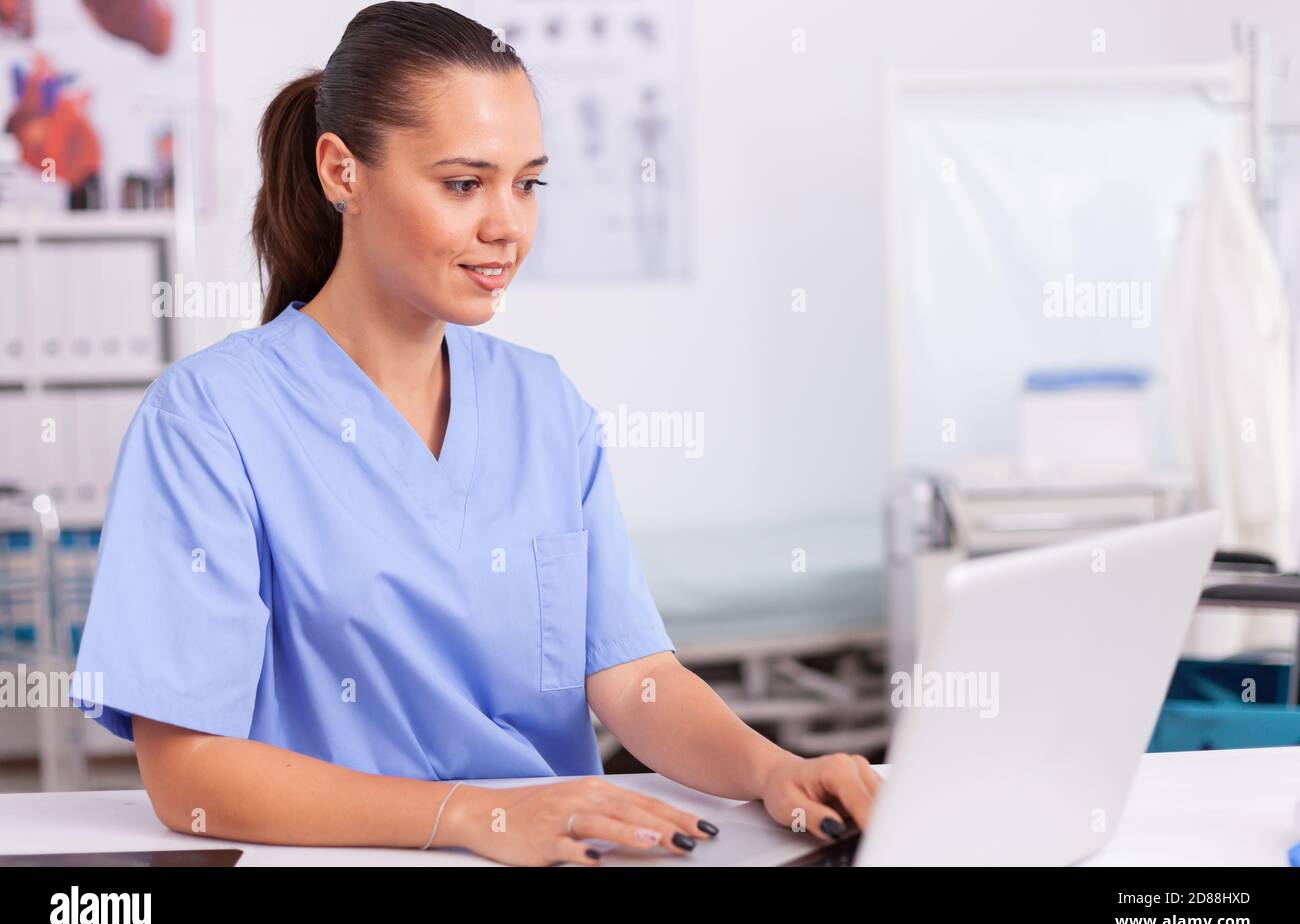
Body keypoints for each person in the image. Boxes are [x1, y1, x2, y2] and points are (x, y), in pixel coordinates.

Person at [71, 1, 881, 867]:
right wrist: (474, 818)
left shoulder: (541, 403)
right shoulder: (207, 420)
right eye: (464, 184)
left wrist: (774, 769)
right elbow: (188, 777)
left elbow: (631, 679)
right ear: (343, 172)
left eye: (527, 183)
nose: (508, 226)